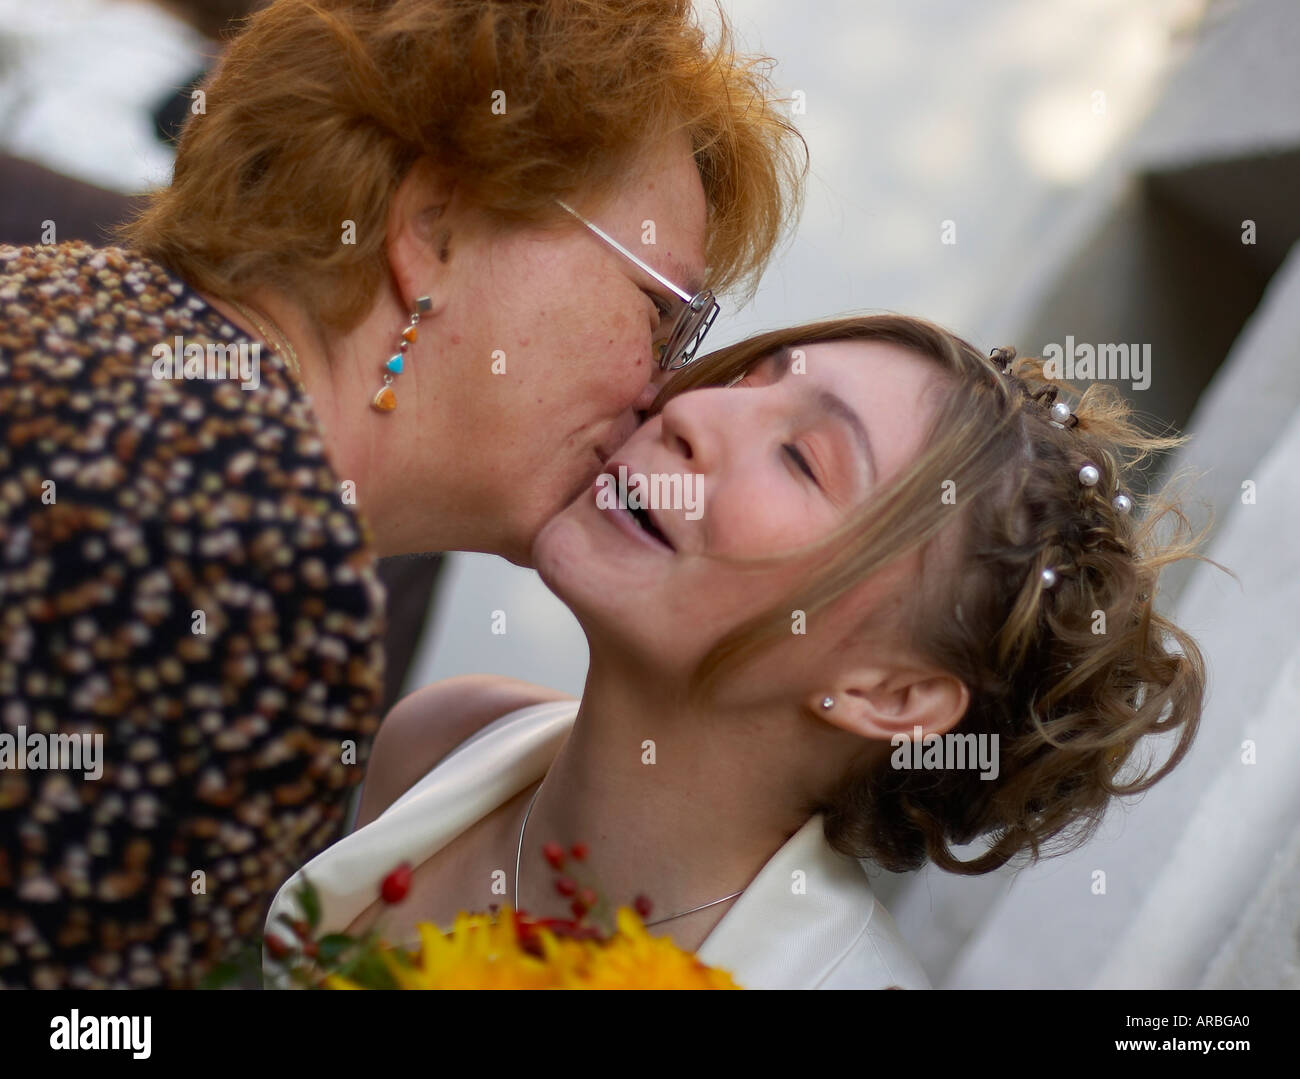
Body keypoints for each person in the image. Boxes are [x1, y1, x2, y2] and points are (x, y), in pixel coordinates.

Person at [0, 0, 803, 988]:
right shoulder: (267, 578)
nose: (661, 391)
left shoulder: (62, 286)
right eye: (664, 316)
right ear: (436, 228)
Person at [267, 314, 1209, 989]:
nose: (692, 412)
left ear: (890, 692)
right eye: (750, 379)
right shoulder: (444, 739)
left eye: (803, 458)